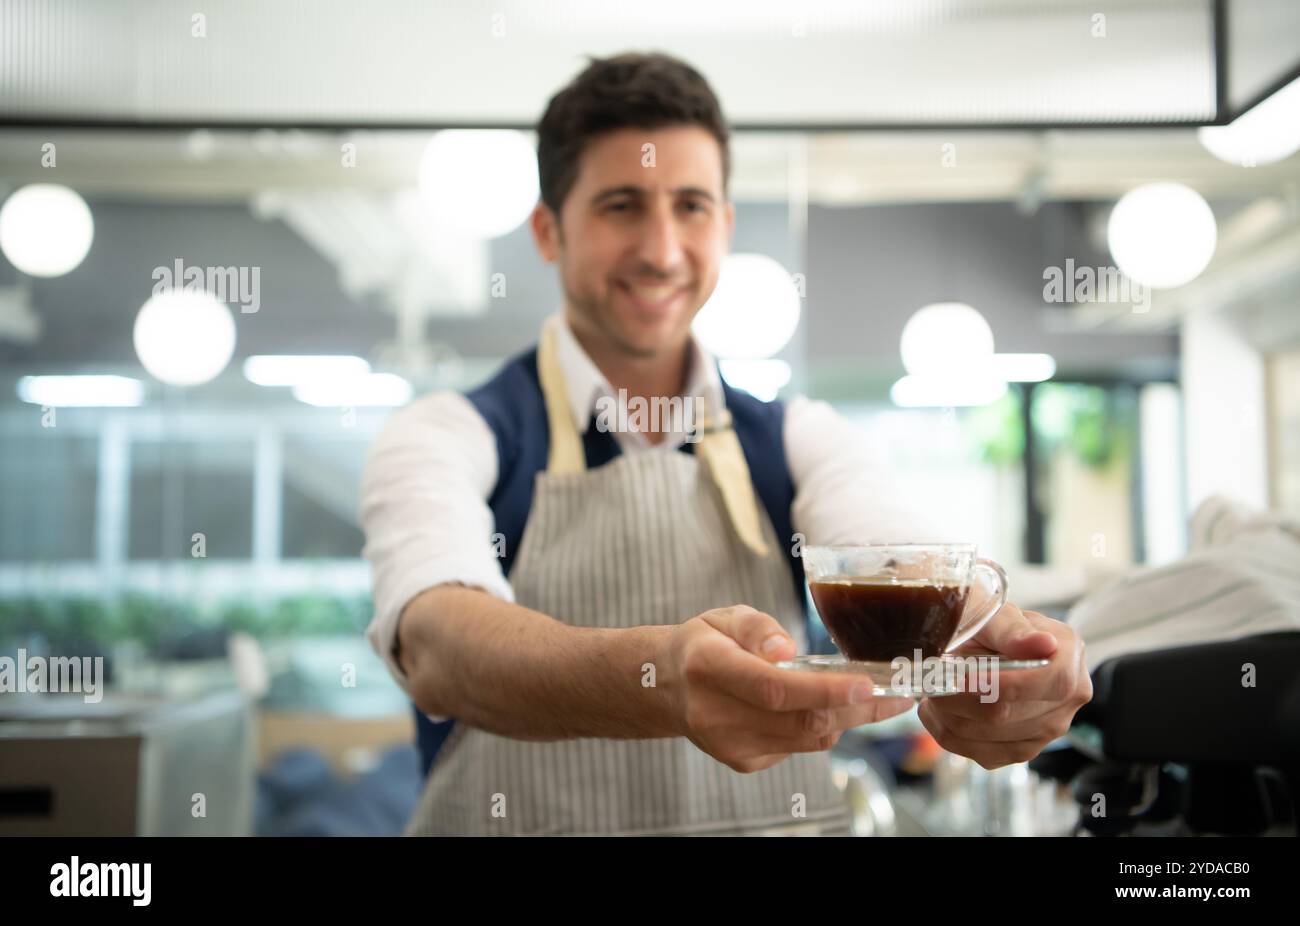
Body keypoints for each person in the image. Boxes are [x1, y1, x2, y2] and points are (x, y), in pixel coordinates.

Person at [360, 51, 1092, 836]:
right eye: (620, 205)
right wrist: (659, 681)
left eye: (692, 206)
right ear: (548, 231)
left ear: (727, 225)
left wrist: (992, 634)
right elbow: (439, 642)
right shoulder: (451, 433)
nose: (663, 249)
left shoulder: (794, 436)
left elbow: (885, 544)